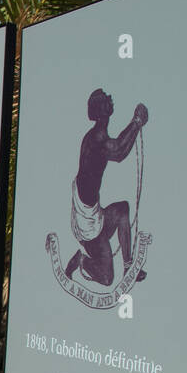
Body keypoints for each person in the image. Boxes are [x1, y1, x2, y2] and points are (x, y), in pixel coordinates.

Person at [64, 89, 147, 287]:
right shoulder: (97, 139)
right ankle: (81, 260)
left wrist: (136, 124)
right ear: (101, 110)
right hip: (88, 226)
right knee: (107, 279)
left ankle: (128, 266)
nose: (109, 101)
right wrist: (136, 122)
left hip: (93, 215)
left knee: (122, 210)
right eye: (105, 101)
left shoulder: (95, 136)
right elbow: (118, 151)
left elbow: (117, 147)